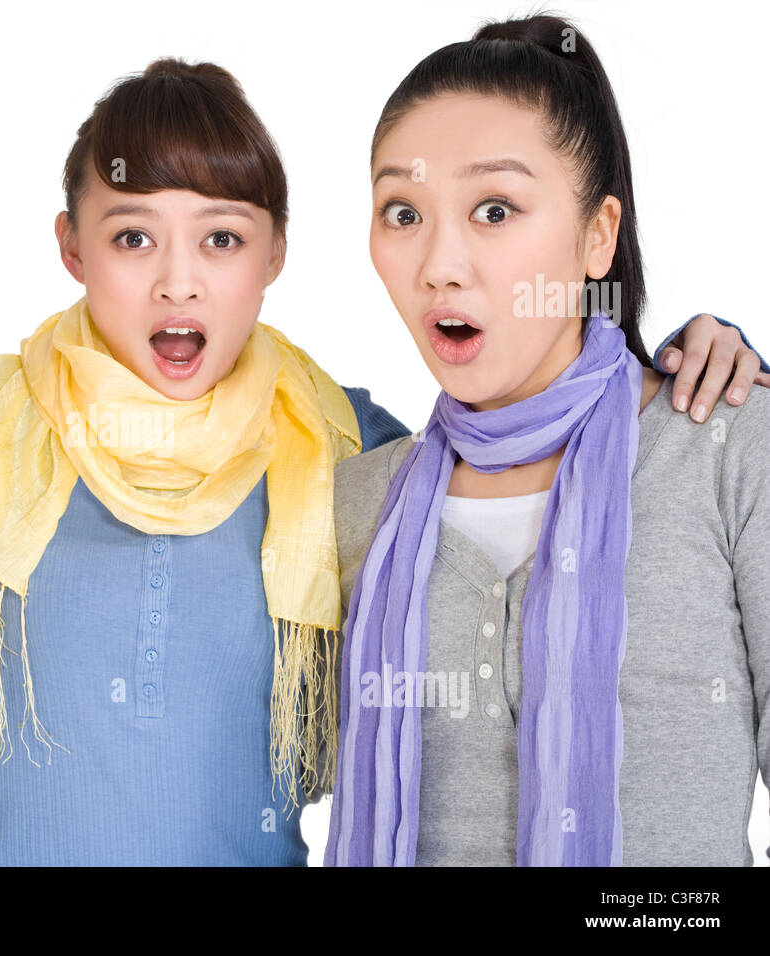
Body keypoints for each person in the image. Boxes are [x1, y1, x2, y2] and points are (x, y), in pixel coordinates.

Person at [0, 58, 766, 868]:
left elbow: (555, 420)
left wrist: (696, 351)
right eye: (133, 236)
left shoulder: (345, 449)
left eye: (220, 238)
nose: (177, 282)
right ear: (70, 248)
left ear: (275, 253)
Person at [326, 13, 769, 866]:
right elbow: (256, 766)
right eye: (403, 211)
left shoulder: (729, 450)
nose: (440, 264)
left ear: (597, 235)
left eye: (495, 209)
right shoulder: (357, 494)